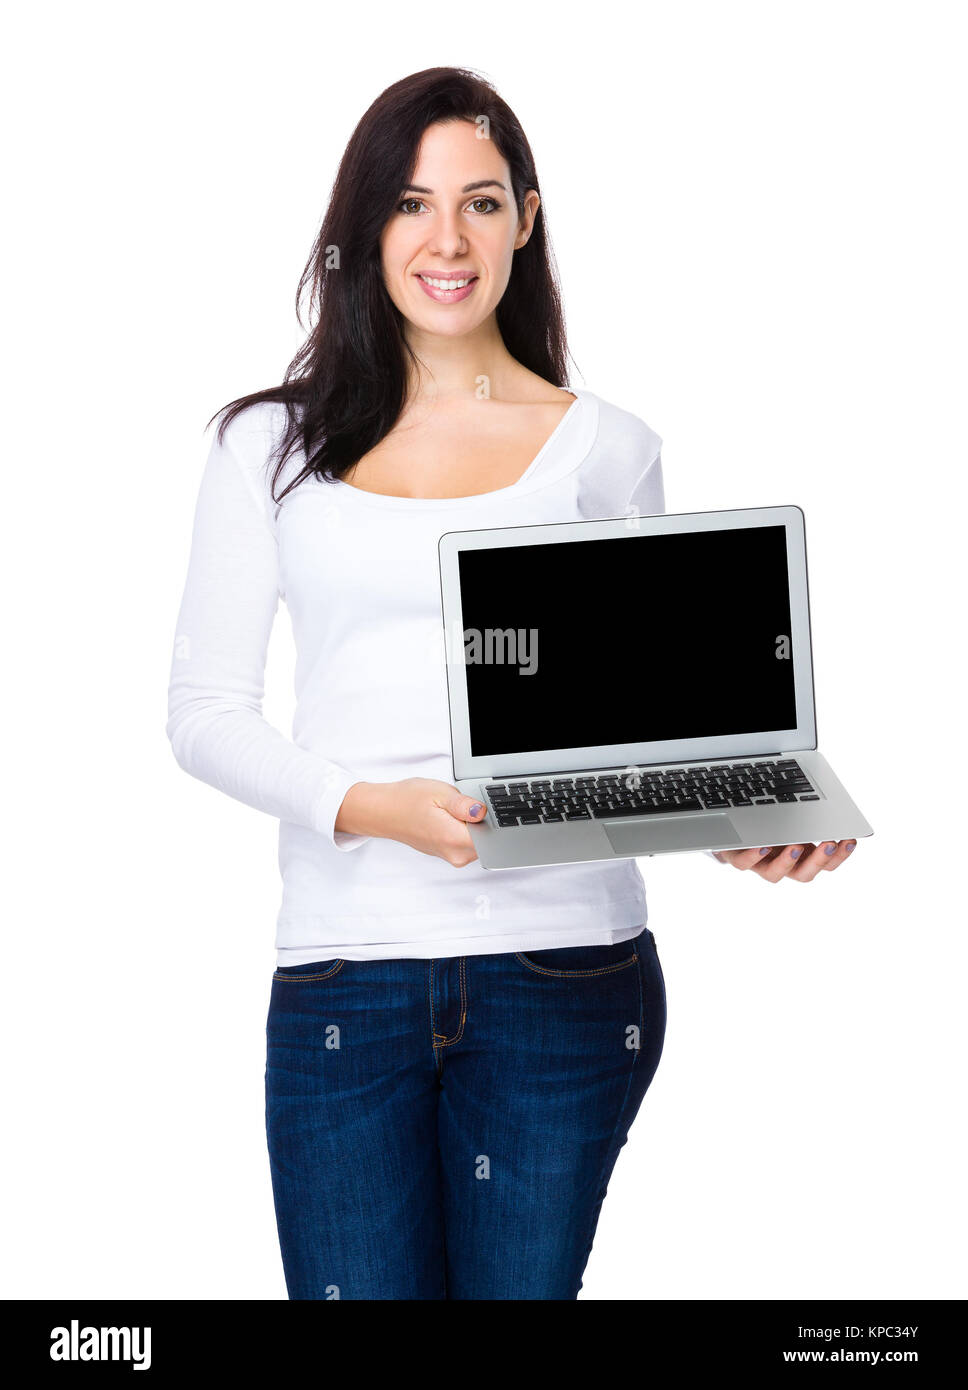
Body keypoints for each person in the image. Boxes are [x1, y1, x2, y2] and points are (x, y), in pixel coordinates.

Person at [166, 66, 857, 1301]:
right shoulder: (264, 446)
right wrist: (373, 806)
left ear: (524, 221)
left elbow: (629, 727)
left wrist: (740, 821)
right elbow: (205, 714)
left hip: (563, 974)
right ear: (363, 227)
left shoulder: (608, 447)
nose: (446, 240)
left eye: (480, 203)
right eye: (411, 204)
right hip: (346, 970)